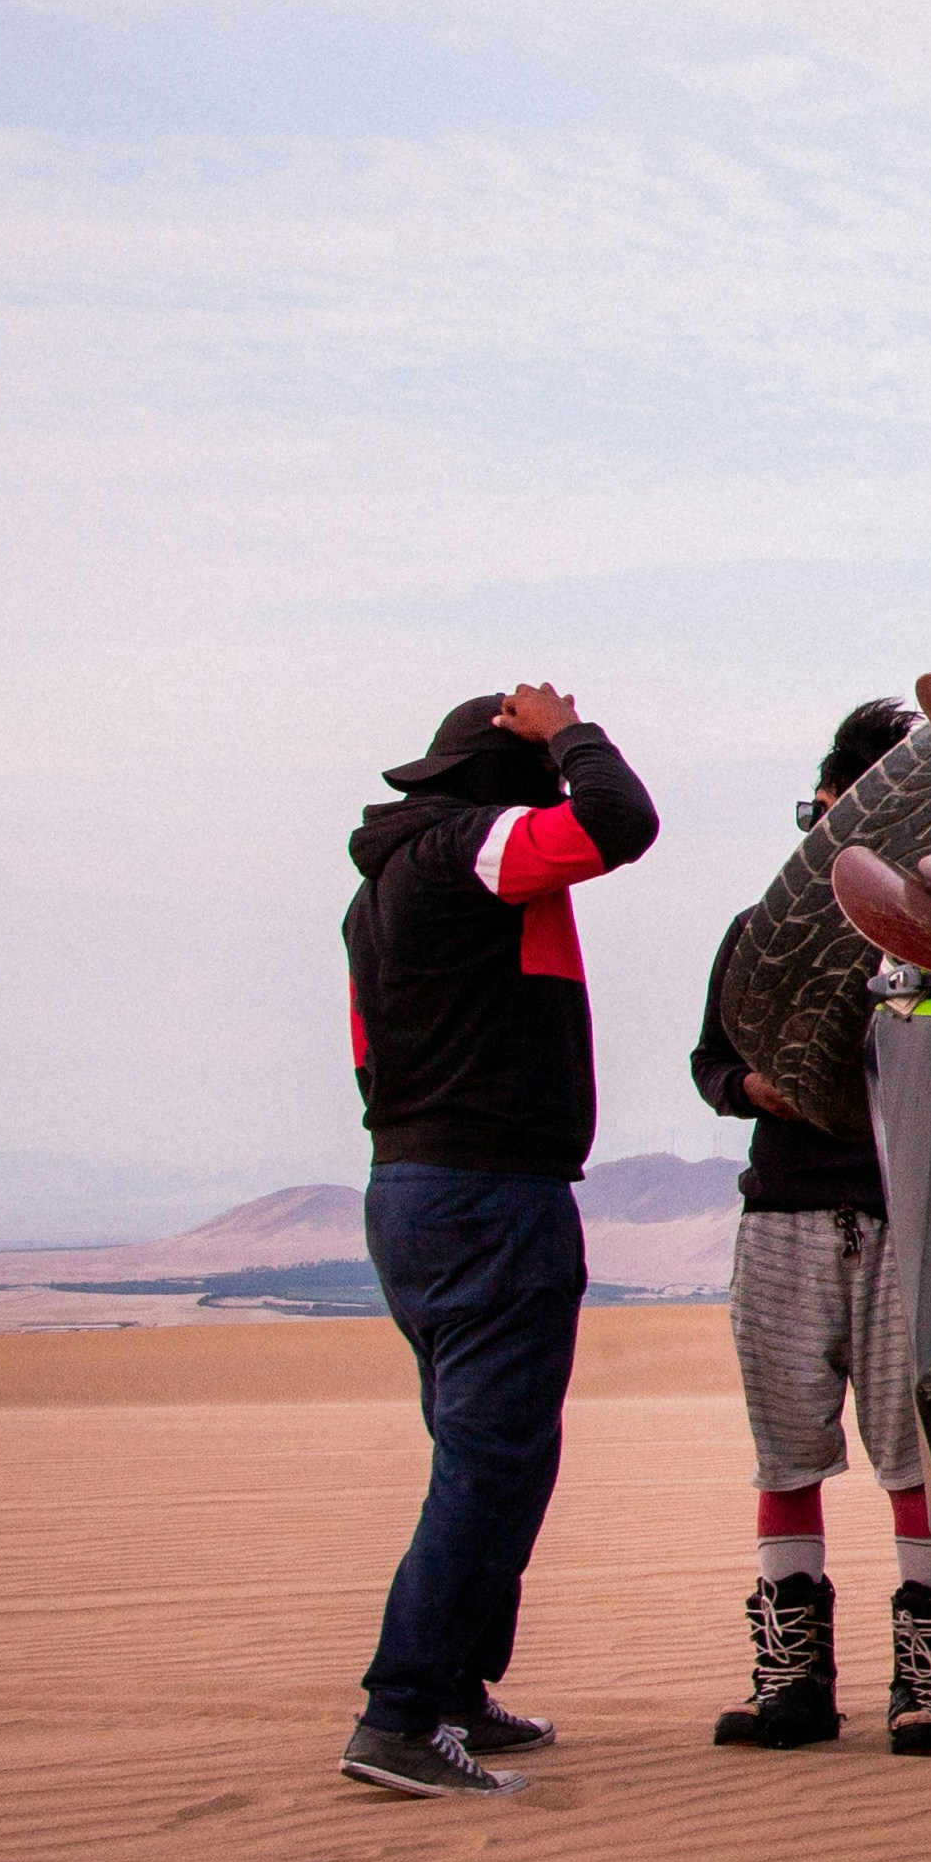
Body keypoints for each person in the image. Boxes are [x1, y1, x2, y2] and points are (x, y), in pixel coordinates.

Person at [337, 680, 660, 1794]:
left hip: (416, 1191)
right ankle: (400, 1713)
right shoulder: (467, 848)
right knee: (490, 1463)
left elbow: (368, 1056)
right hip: (487, 1197)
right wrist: (569, 734)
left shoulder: (379, 892)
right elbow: (618, 822)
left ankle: (456, 1690)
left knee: (495, 1457)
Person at [692, 700, 931, 1759]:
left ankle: (928, 1686)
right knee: (787, 1456)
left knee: (911, 1462)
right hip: (785, 1212)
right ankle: (791, 1684)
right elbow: (712, 1061)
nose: (820, 833)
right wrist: (753, 1088)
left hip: (902, 1216)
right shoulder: (759, 934)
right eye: (816, 814)